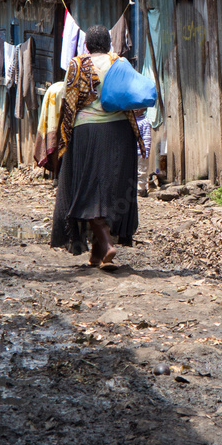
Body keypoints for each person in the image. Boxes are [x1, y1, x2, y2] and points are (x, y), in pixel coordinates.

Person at [50, 24, 145, 269]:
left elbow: (69, 102)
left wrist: (63, 138)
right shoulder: (120, 63)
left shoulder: (77, 64)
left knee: (86, 190)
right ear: (109, 44)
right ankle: (98, 254)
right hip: (121, 133)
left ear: (86, 46)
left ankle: (106, 242)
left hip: (88, 132)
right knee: (111, 190)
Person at [134, 108, 151, 197]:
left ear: (144, 109)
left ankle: (141, 189)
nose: (135, 109)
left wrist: (146, 151)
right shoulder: (130, 121)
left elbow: (147, 138)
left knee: (141, 170)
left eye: (138, 107)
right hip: (131, 151)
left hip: (141, 152)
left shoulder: (145, 122)